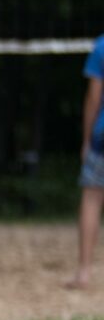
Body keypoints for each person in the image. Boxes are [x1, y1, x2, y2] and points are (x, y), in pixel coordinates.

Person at [64, 32, 104, 289]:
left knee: (91, 199)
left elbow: (93, 98)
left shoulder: (101, 46)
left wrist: (87, 138)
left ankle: (84, 272)